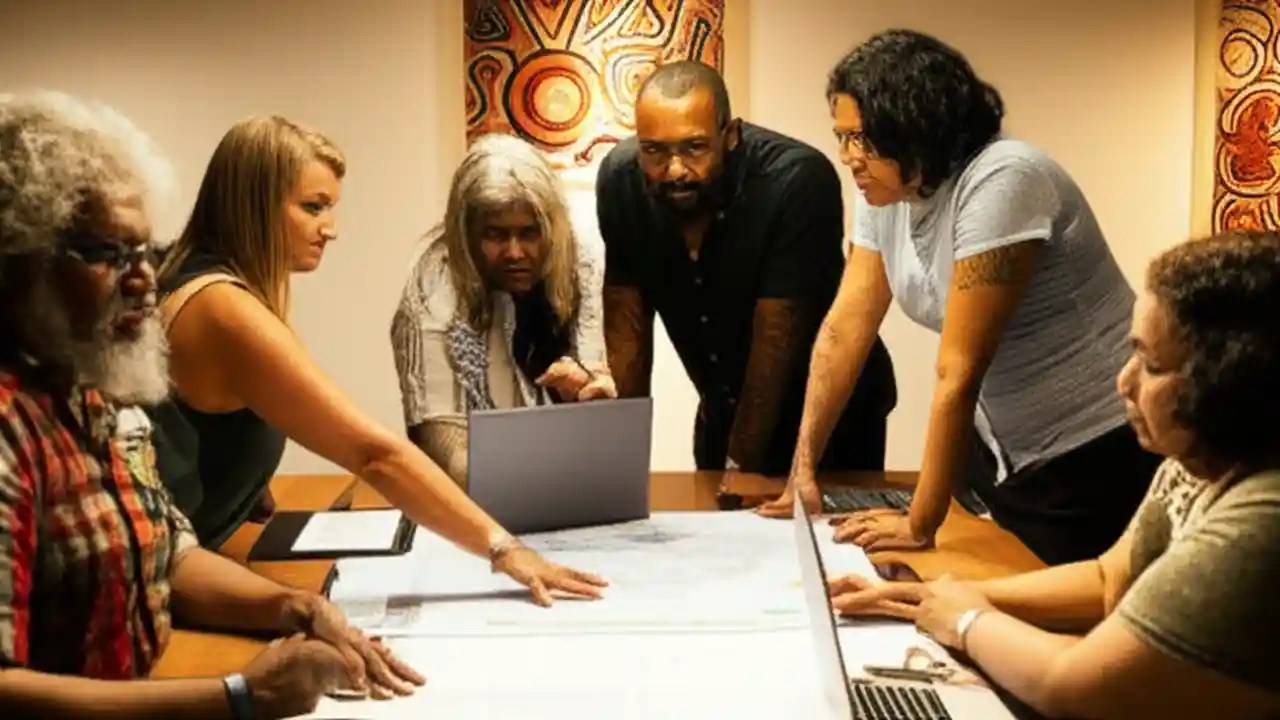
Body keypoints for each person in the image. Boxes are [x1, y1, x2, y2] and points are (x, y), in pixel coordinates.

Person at [0, 91, 423, 718]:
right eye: (105, 255)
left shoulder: (99, 396)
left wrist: (297, 606)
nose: (143, 278)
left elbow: (169, 554)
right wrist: (238, 697)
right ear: (21, 260)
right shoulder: (10, 426)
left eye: (143, 251)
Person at [146, 114, 606, 606]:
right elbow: (374, 454)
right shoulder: (224, 310)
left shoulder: (193, 276)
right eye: (313, 207)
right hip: (159, 576)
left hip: (189, 551)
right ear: (253, 206)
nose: (332, 229)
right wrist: (503, 549)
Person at [825, 232, 1280, 719]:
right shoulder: (1198, 462)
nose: (1123, 382)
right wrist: (935, 594)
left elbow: (1076, 687)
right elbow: (1109, 580)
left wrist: (967, 621)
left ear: (1229, 382)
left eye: (1150, 364)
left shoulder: (1260, 517)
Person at [757, 30, 1160, 566]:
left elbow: (959, 369)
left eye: (864, 139)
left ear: (916, 125)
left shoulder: (1004, 179)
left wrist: (922, 521)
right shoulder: (884, 189)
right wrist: (802, 471)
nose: (849, 157)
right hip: (1000, 447)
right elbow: (844, 327)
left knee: (1050, 616)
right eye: (842, 137)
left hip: (1093, 446)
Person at [596, 61, 897, 485]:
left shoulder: (795, 180)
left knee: (820, 542)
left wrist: (739, 472)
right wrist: (621, 471)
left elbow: (777, 341)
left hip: (831, 419)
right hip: (723, 407)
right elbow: (627, 320)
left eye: (695, 148)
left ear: (730, 135)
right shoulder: (620, 180)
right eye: (655, 150)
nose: (675, 169)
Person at [391, 133, 616, 486]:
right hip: (472, 498)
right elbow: (438, 434)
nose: (514, 252)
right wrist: (514, 490)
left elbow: (601, 413)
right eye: (495, 235)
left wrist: (587, 393)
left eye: (529, 233)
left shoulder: (580, 260)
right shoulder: (434, 288)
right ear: (466, 234)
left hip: (567, 485)